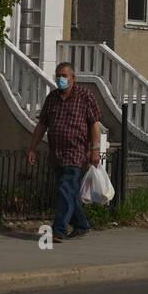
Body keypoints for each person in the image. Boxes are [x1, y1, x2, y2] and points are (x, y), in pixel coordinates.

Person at [28, 62, 103, 242]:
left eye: (64, 75)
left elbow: (94, 124)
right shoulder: (52, 98)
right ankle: (82, 224)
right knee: (69, 192)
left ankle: (59, 229)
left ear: (73, 78)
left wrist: (95, 149)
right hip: (57, 154)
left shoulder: (85, 97)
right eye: (58, 75)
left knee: (65, 189)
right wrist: (32, 147)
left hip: (76, 153)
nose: (60, 79)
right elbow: (42, 124)